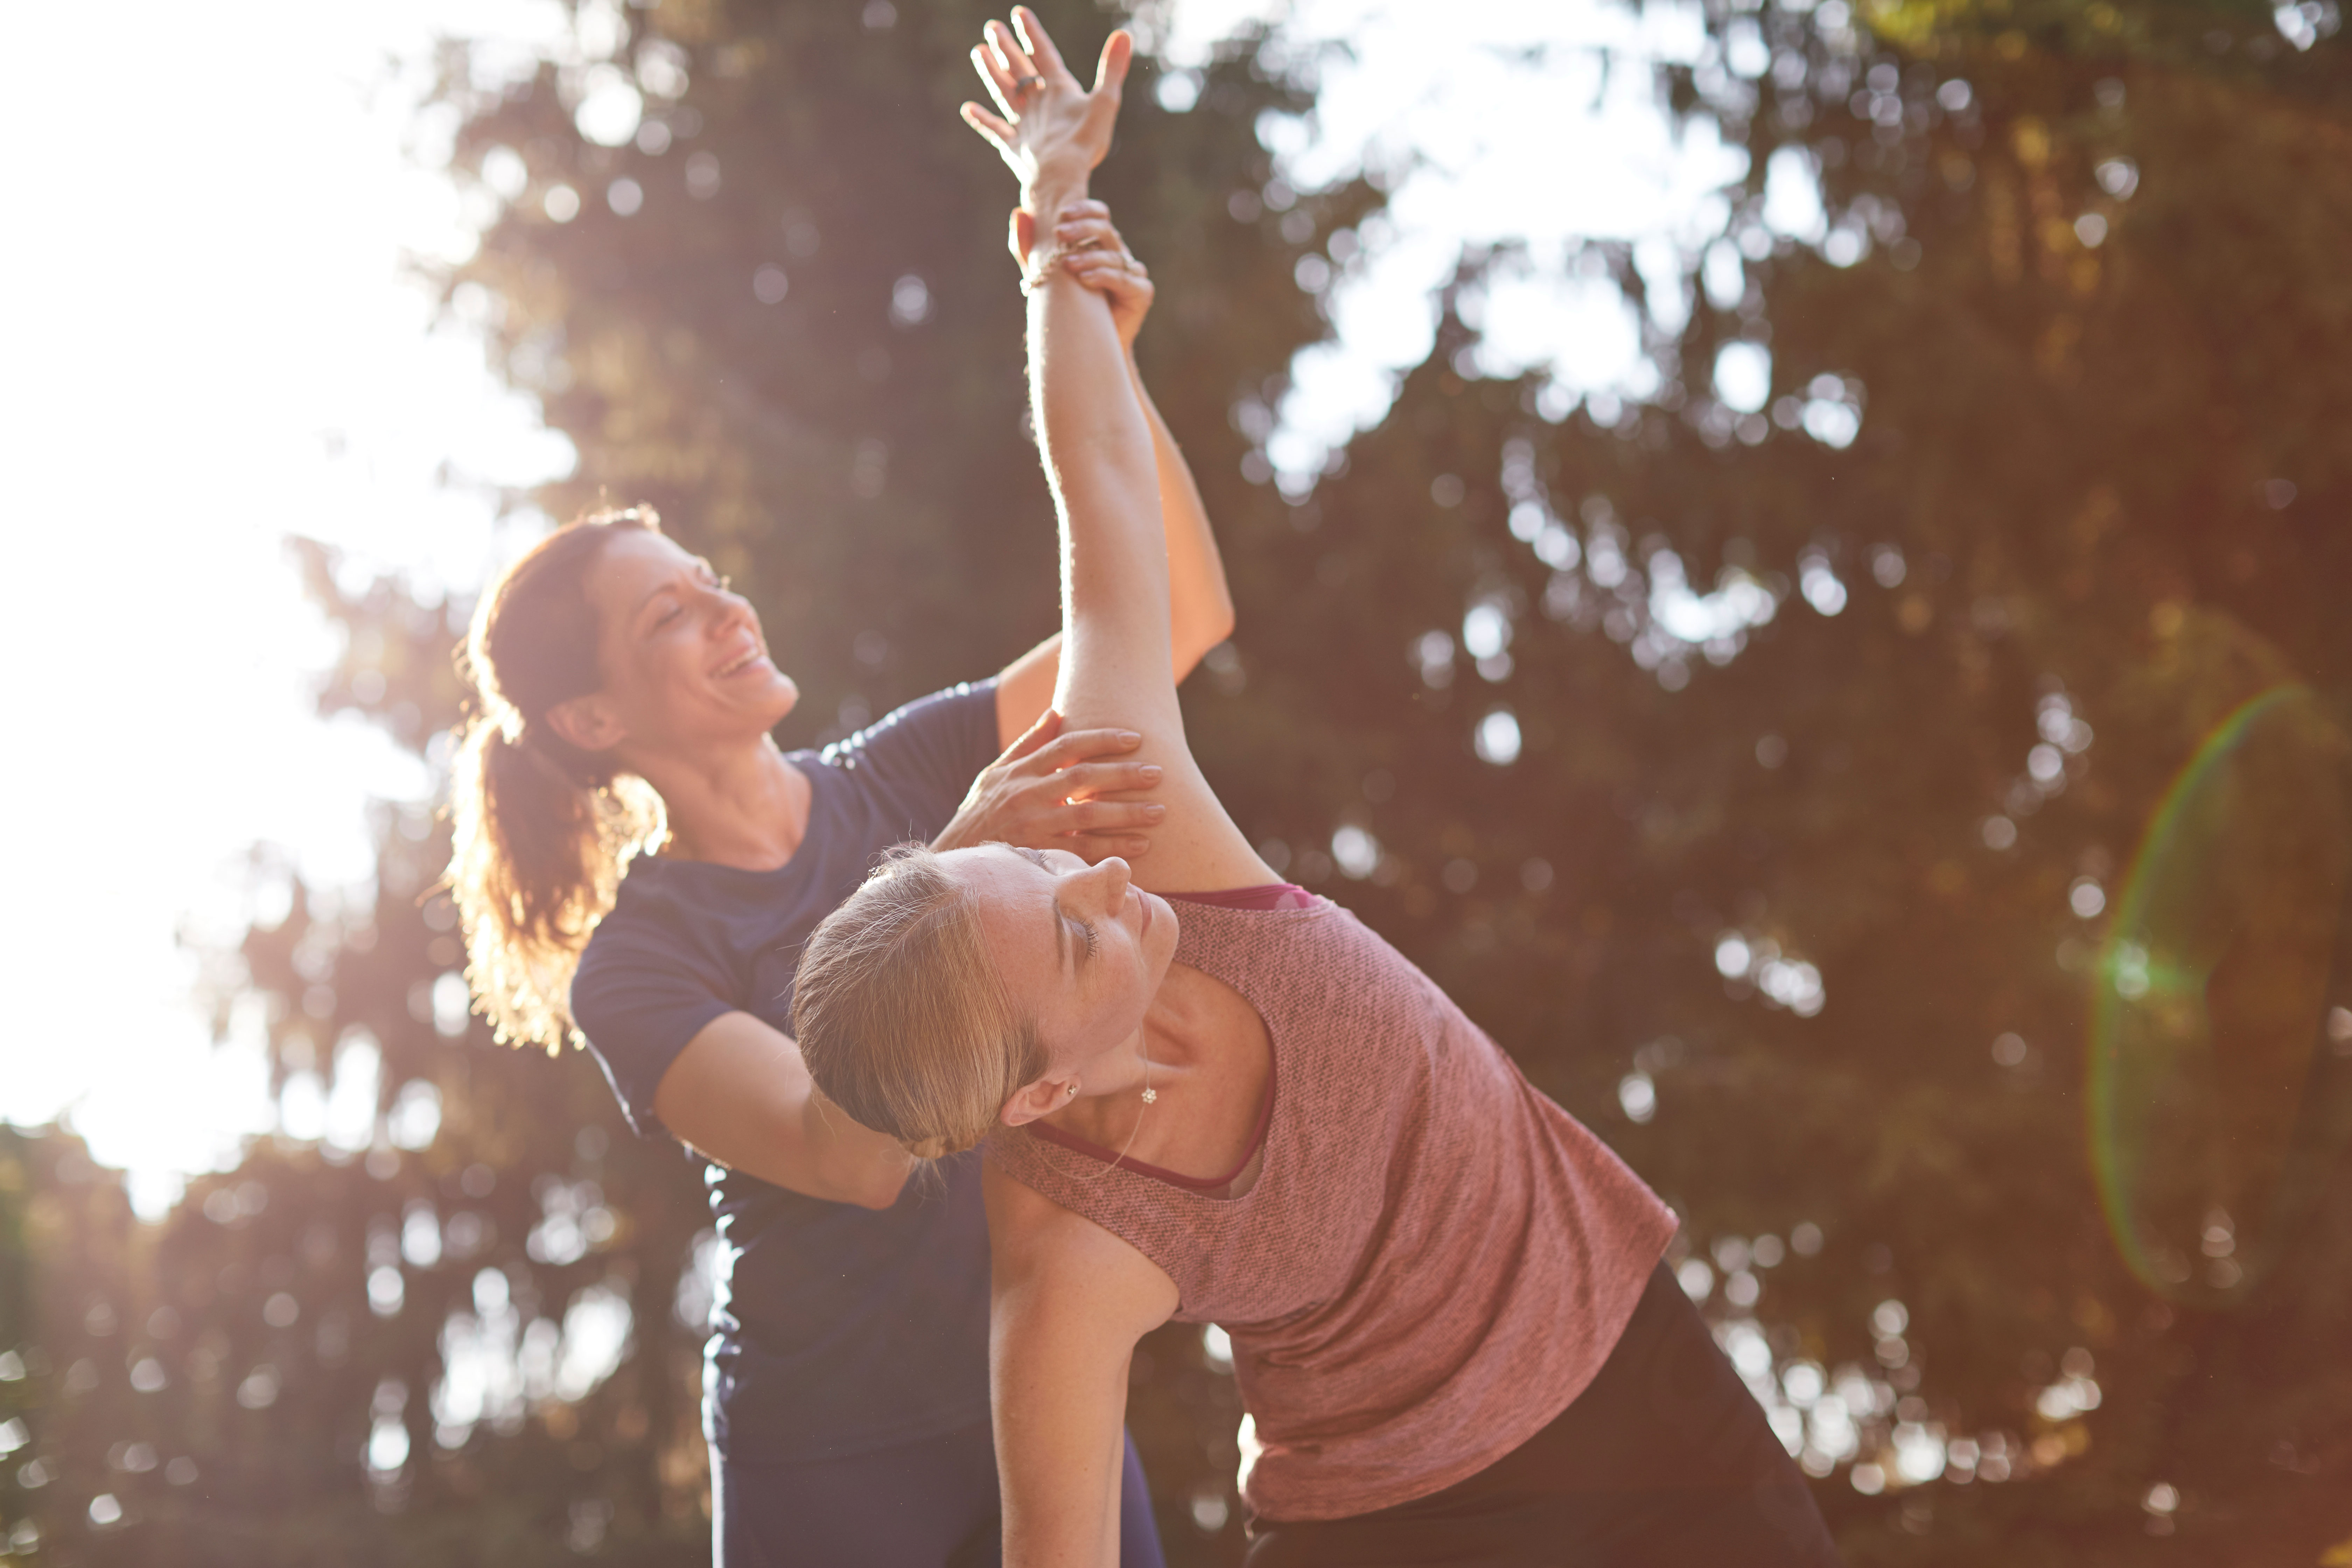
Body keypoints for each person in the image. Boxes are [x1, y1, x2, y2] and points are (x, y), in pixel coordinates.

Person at [790, 12, 1847, 1566]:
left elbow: (1099, 499)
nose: (1102, 887)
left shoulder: (1111, 810)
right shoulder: (1068, 1256)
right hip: (1394, 1519)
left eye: (1040, 876)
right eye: (1072, 941)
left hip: (1615, 1355)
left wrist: (1054, 222)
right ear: (1035, 1100)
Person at [443, 80, 1210, 1567]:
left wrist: (1103, 352)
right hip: (827, 1459)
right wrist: (960, 857)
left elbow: (1171, 616)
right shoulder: (641, 967)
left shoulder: (912, 763)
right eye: (670, 612)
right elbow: (853, 1148)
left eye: (711, 575)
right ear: (596, 722)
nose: (727, 606)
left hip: (1036, 1375)